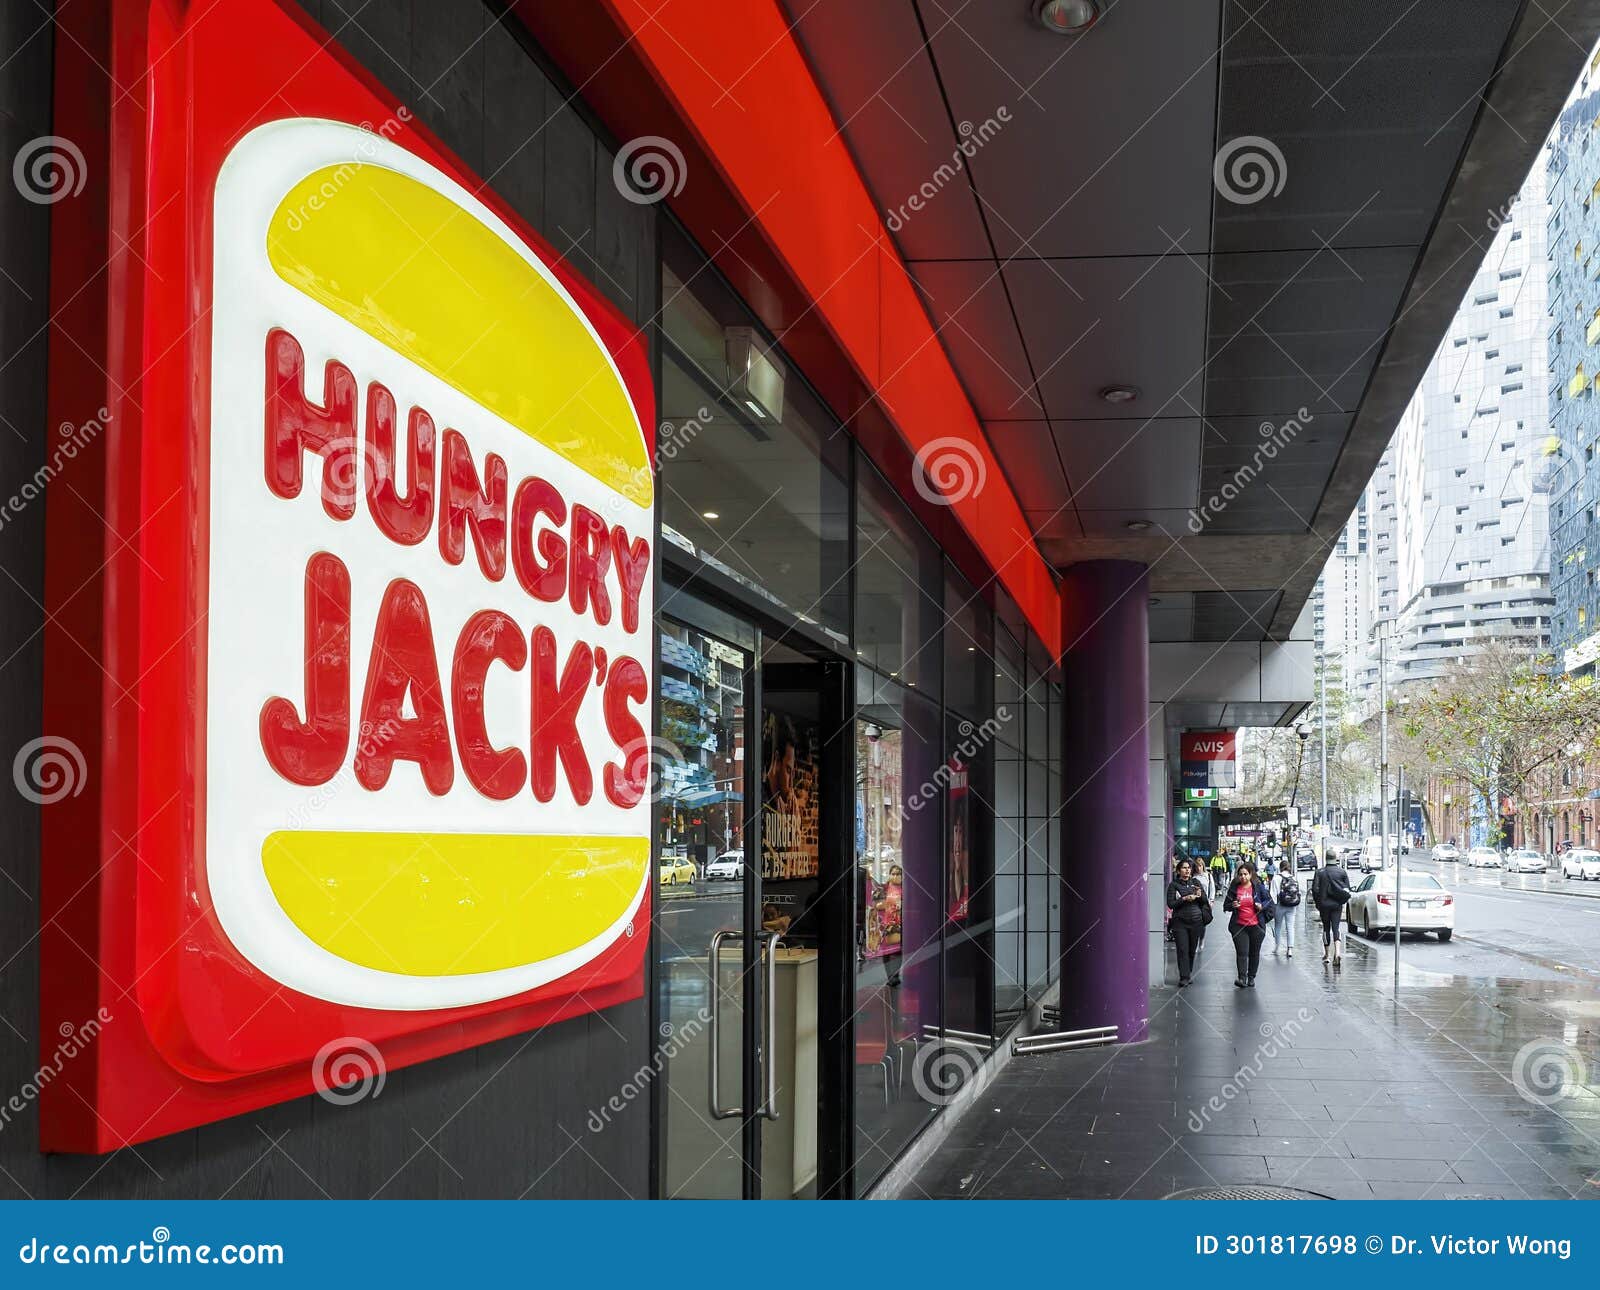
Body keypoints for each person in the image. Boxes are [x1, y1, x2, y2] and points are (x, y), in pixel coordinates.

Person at [1223, 862, 1273, 988]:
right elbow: (1226, 906)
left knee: (1254, 953)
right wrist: (1232, 905)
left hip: (1256, 926)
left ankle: (1251, 977)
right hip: (1239, 926)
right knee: (1242, 952)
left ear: (1251, 875)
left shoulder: (1258, 887)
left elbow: (1269, 901)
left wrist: (1261, 906)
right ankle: (1242, 978)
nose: (1243, 877)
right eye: (1240, 874)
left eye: (1245, 874)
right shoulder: (1235, 888)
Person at [1165, 858, 1209, 986]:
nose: (1187, 870)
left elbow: (1204, 902)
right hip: (1180, 923)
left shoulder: (1196, 883)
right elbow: (1171, 903)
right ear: (1179, 870)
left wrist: (1200, 895)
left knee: (1191, 950)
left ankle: (1188, 973)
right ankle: (1184, 977)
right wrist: (1184, 899)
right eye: (1184, 868)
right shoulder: (1174, 885)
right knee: (1182, 949)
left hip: (1196, 922)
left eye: (1189, 868)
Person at [1310, 852, 1353, 967]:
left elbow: (1315, 889)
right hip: (1337, 905)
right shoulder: (1342, 872)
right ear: (1335, 859)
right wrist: (1341, 901)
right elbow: (1347, 890)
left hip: (1324, 905)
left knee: (1326, 928)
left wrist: (1318, 903)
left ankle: (1327, 955)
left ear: (1326, 859)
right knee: (1336, 927)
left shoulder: (1319, 872)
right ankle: (1338, 952)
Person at [1271, 863, 1301, 958]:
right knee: (1290, 927)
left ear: (1280, 868)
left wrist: (1273, 906)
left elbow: (1273, 893)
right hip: (1292, 905)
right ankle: (1290, 949)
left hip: (1280, 905)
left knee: (1278, 926)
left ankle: (1277, 947)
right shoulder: (1293, 878)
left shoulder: (1276, 878)